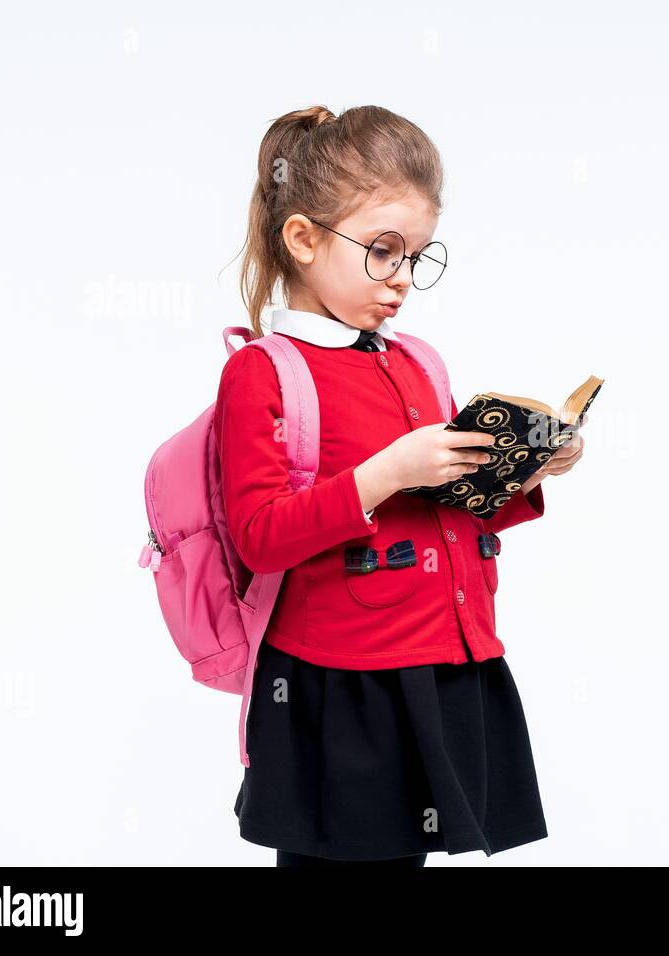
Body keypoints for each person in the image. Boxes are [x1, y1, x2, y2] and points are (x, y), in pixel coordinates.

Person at [216, 104, 585, 866]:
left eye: (418, 256)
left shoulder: (416, 359)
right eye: (384, 252)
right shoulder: (263, 371)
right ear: (304, 238)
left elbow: (443, 511)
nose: (404, 280)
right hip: (339, 688)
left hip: (440, 666)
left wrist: (528, 468)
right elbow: (259, 536)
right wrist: (383, 476)